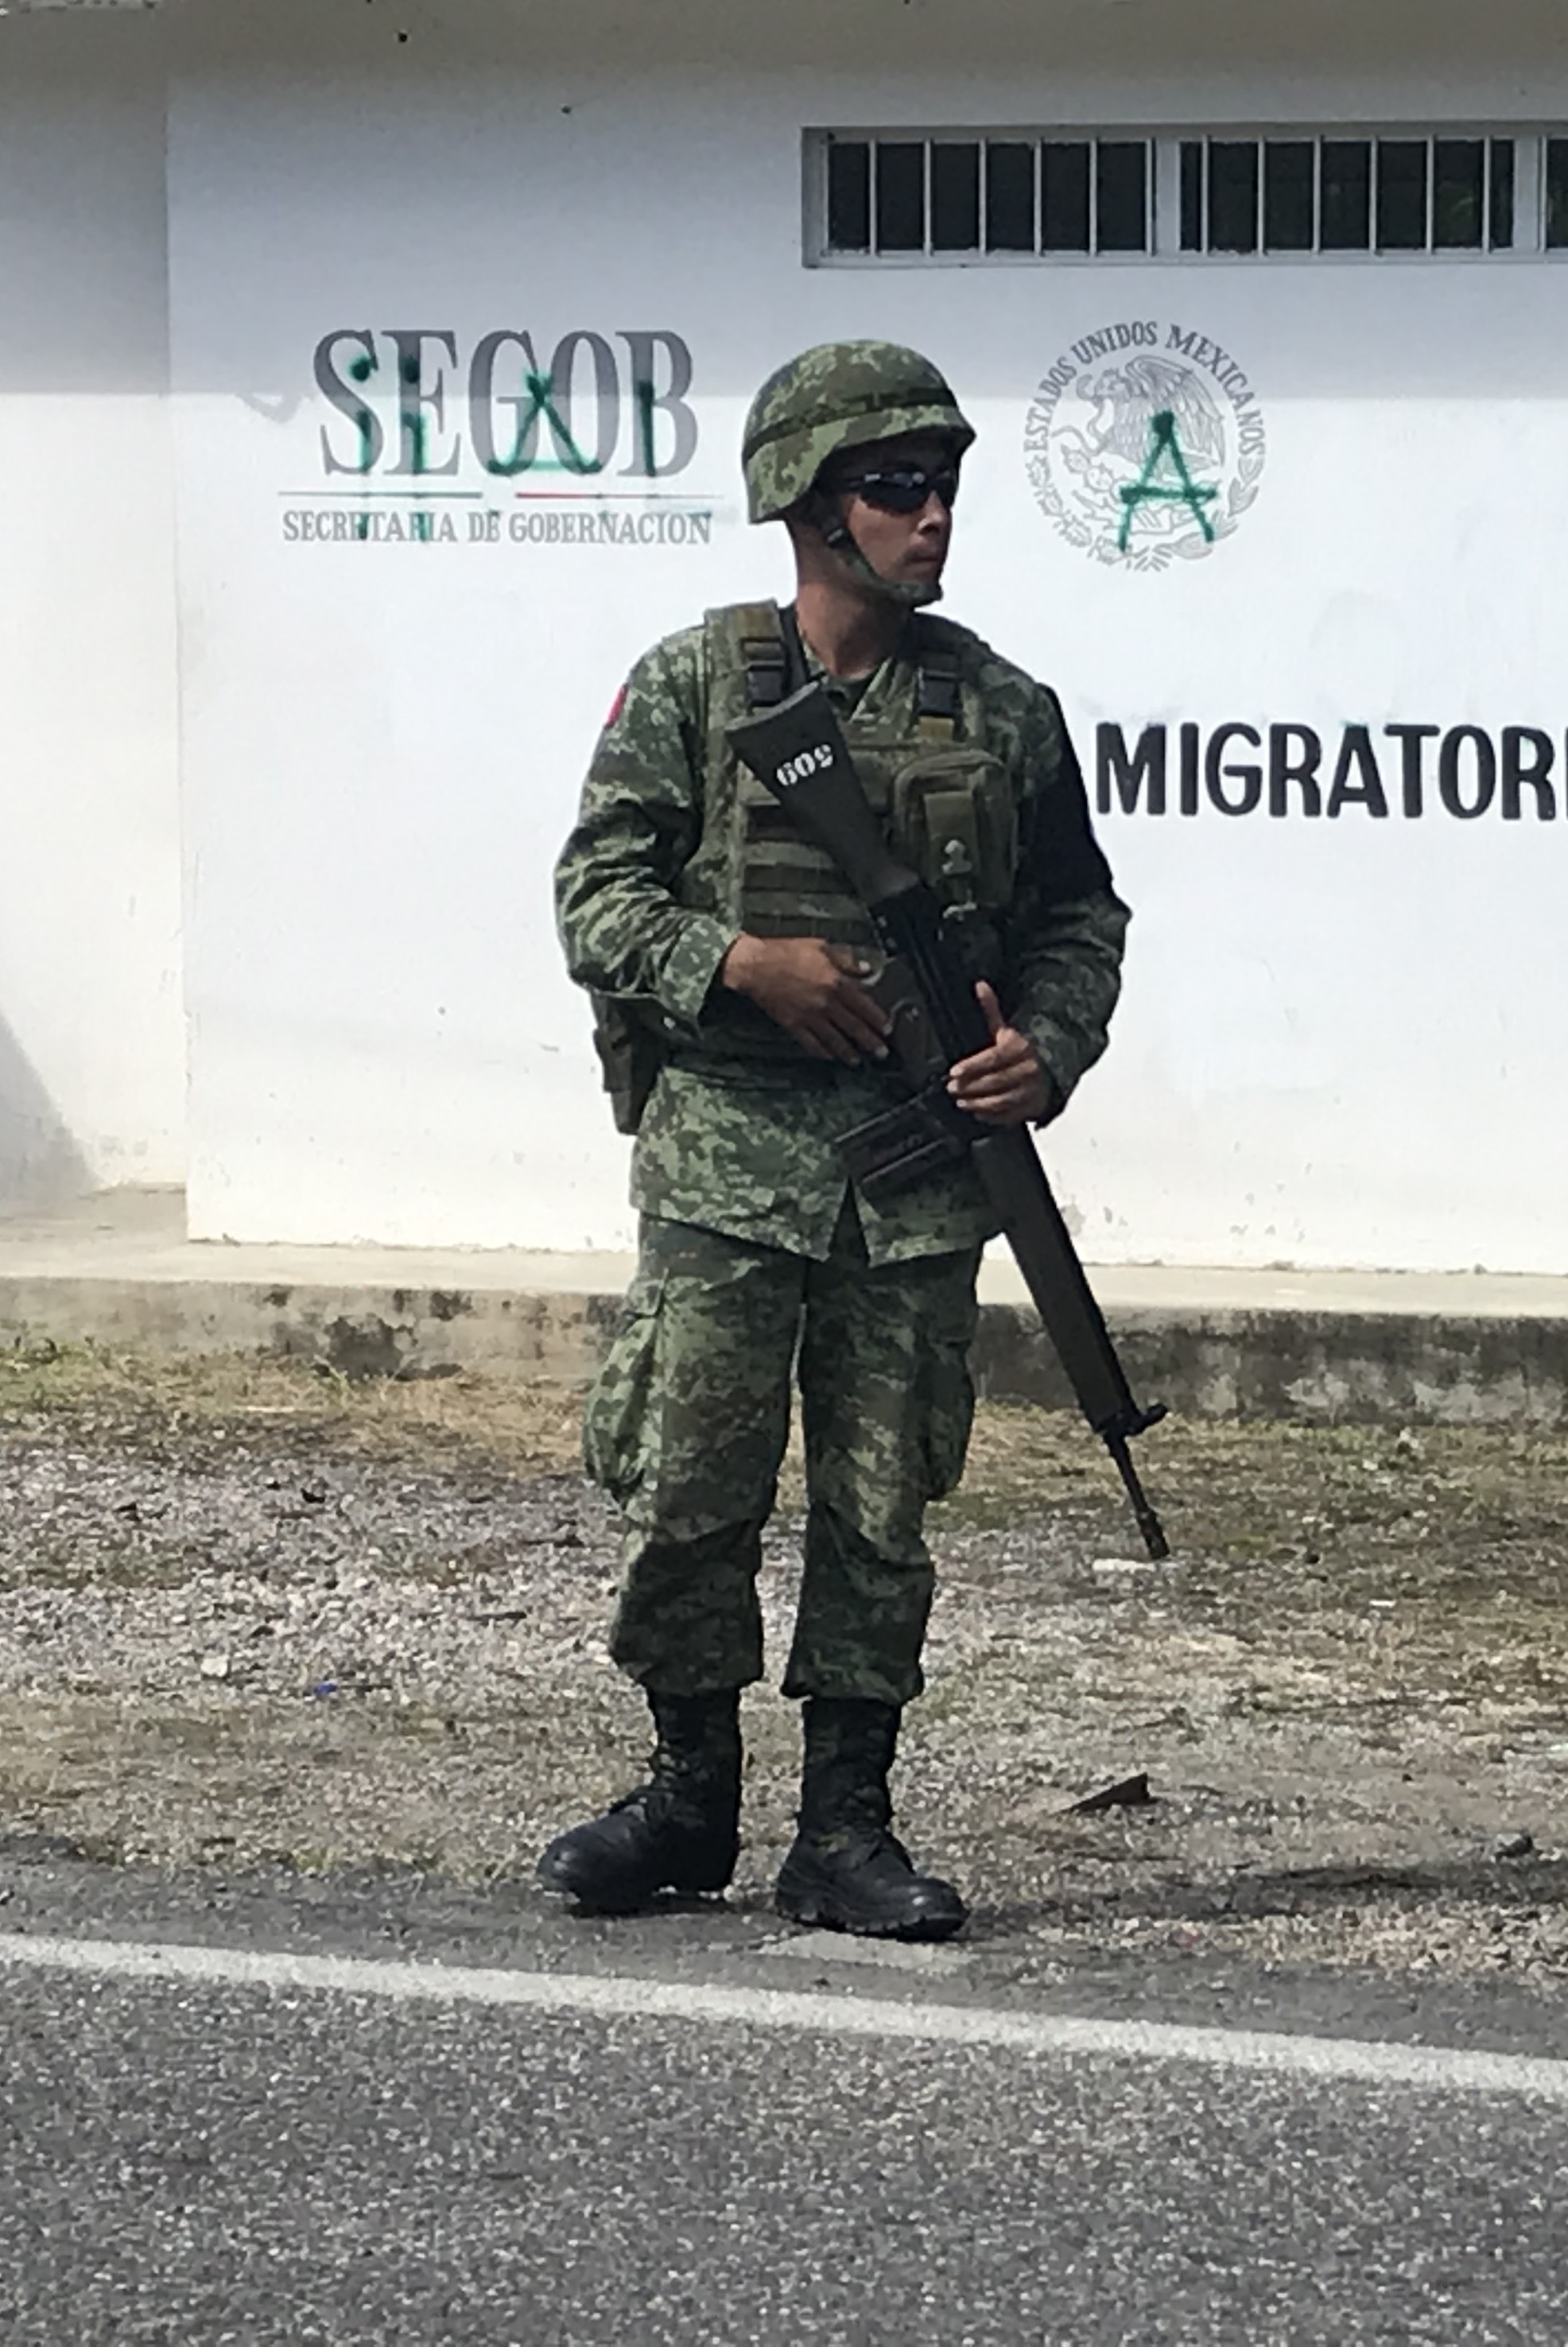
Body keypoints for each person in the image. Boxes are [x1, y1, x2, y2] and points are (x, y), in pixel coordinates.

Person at [541, 341, 1129, 1938]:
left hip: (918, 1183)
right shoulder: (695, 684)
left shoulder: (1002, 710)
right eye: (895, 488)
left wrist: (1043, 1055)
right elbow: (596, 894)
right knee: (694, 1494)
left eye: (944, 486)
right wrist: (739, 967)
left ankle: (845, 1832)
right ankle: (685, 1804)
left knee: (881, 1515)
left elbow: (1079, 915)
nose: (931, 516)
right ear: (809, 508)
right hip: (729, 1172)